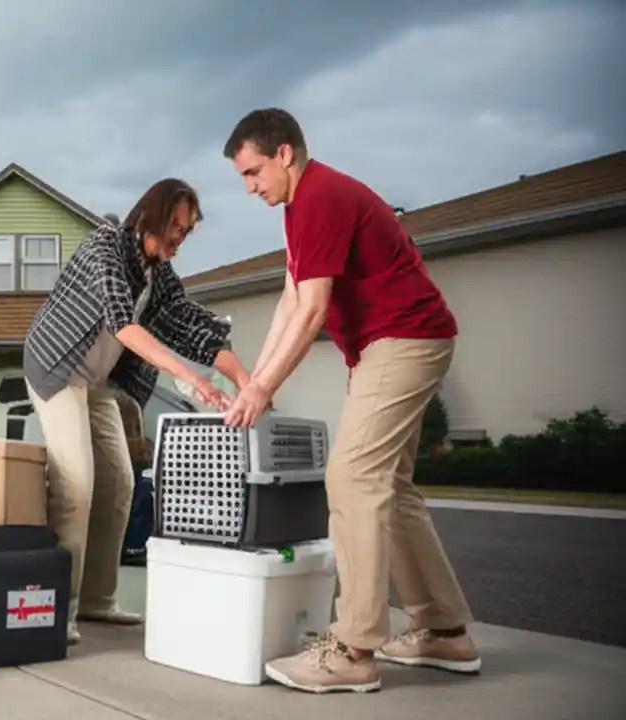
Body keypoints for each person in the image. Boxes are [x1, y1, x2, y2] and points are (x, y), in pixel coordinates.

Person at [220, 108, 479, 693]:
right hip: (393, 344)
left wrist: (265, 389)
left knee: (354, 477)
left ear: (284, 153)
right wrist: (253, 380)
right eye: (242, 177)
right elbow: (291, 301)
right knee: (392, 486)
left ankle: (355, 648)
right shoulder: (297, 211)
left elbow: (313, 313)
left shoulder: (321, 196)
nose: (250, 186)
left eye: (254, 171)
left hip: (405, 338)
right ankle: (444, 632)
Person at [24, 179, 252, 645]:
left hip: (96, 383)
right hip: (55, 368)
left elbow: (195, 327)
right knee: (77, 486)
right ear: (152, 213)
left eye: (187, 232)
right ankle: (55, 610)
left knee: (122, 484)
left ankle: (97, 600)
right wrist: (190, 378)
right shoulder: (104, 246)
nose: (179, 238)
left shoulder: (158, 275)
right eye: (176, 226)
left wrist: (249, 384)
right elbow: (121, 322)